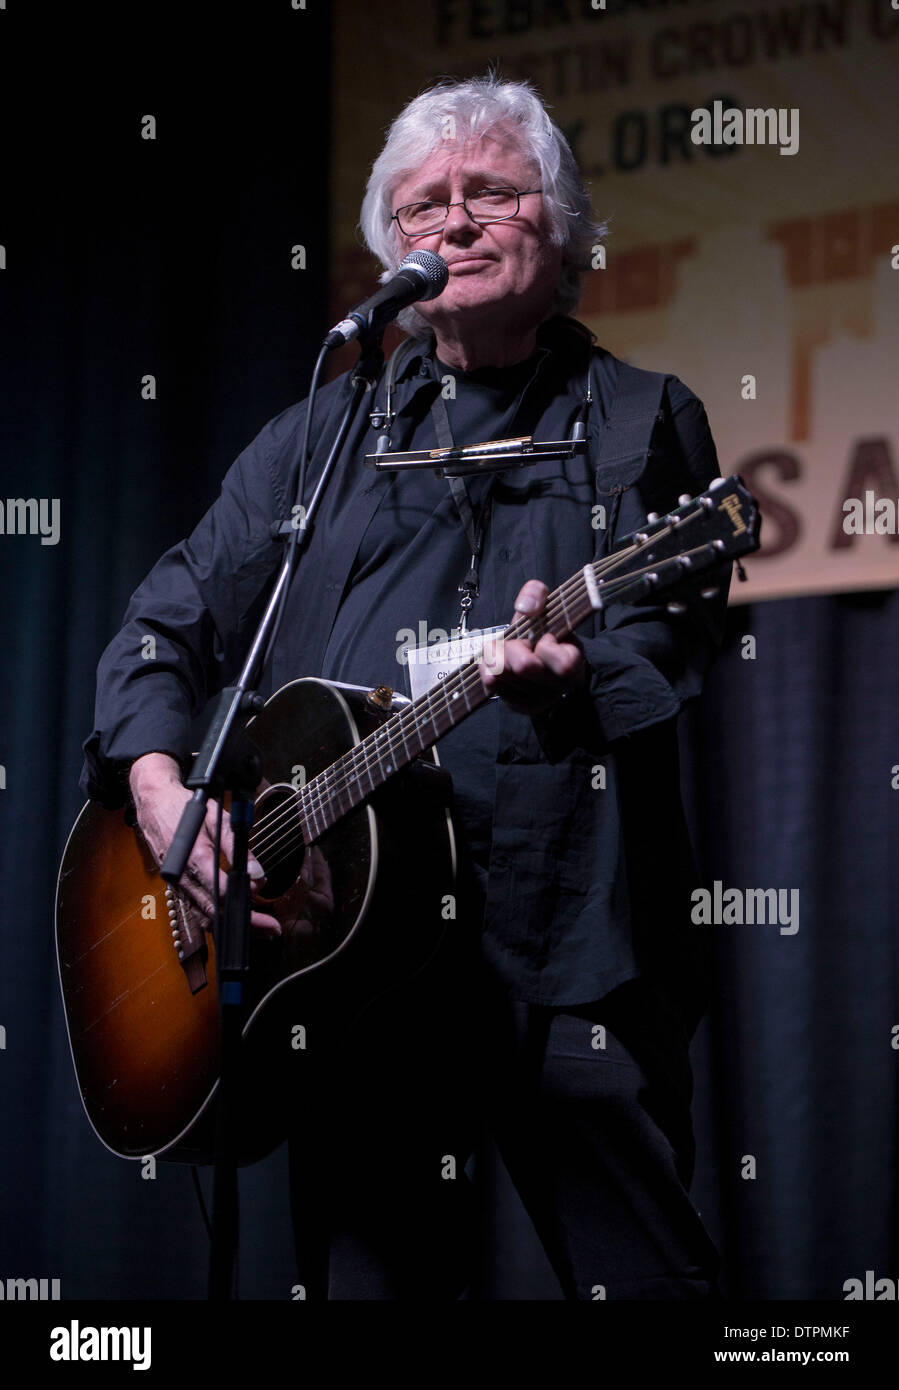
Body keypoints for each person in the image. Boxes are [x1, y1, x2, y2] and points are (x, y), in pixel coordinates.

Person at [81, 73, 727, 1300]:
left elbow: (668, 641)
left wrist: (572, 674)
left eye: (490, 194)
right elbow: (167, 618)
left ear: (563, 228)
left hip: (563, 950)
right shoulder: (318, 438)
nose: (455, 225)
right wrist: (161, 788)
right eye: (422, 209)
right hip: (349, 968)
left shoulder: (643, 422)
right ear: (391, 250)